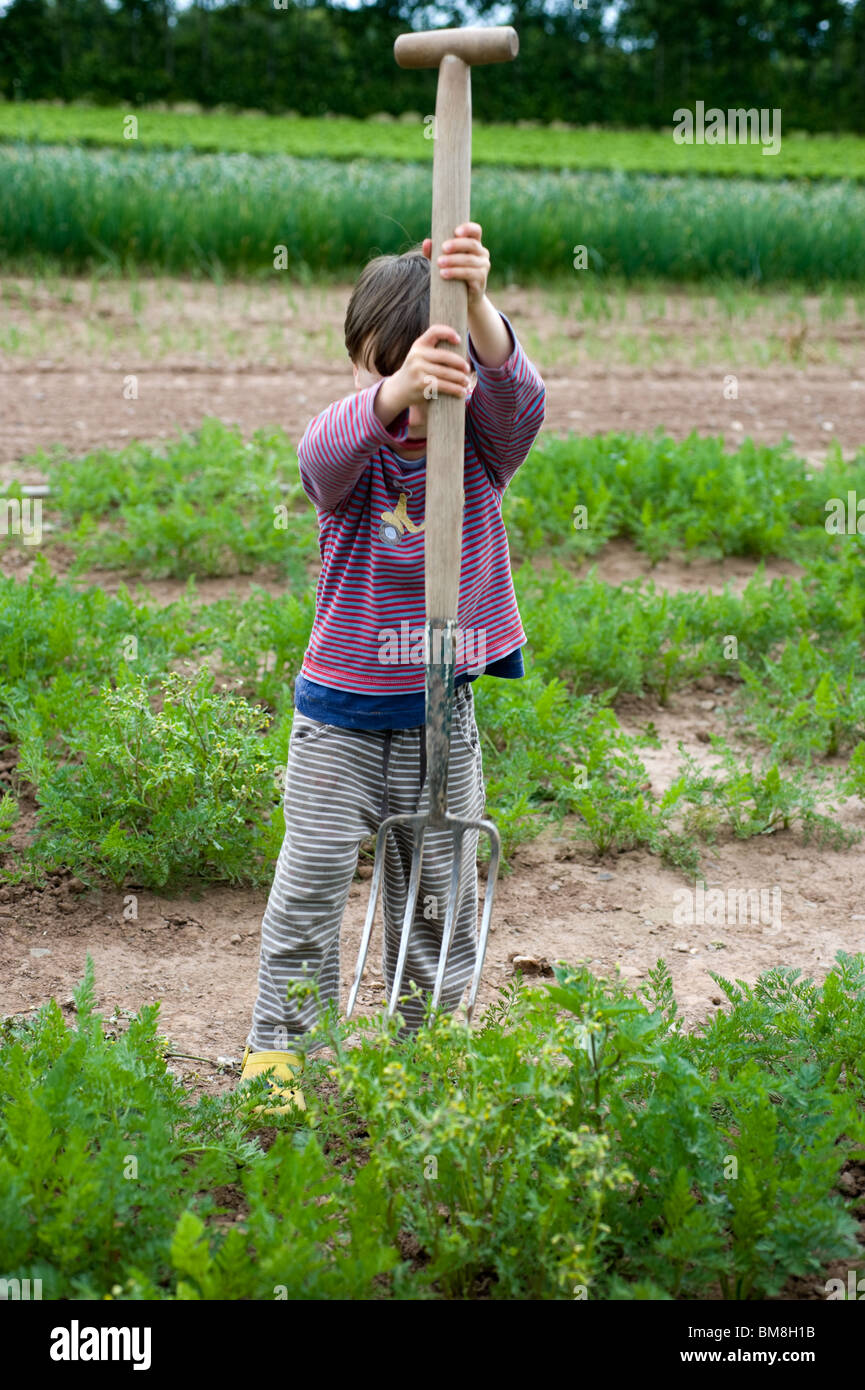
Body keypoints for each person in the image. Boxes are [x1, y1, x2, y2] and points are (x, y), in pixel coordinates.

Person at [240, 223, 545, 1113]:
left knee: (438, 896)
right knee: (309, 887)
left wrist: (477, 303)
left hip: (439, 713)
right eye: (389, 378)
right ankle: (281, 1064)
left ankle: (425, 1057)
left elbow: (521, 401)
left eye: (433, 385)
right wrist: (398, 391)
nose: (415, 407)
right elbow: (317, 455)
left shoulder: (481, 448)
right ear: (372, 368)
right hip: (339, 714)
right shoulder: (357, 453)